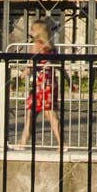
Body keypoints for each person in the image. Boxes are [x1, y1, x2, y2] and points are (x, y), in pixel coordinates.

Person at [18, 20, 62, 150]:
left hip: (39, 83)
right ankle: (23, 141)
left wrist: (18, 78)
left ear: (37, 31)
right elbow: (60, 66)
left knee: (37, 113)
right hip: (50, 82)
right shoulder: (52, 48)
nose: (30, 32)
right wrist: (70, 82)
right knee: (44, 113)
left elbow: (31, 65)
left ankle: (61, 143)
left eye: (32, 29)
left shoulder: (37, 45)